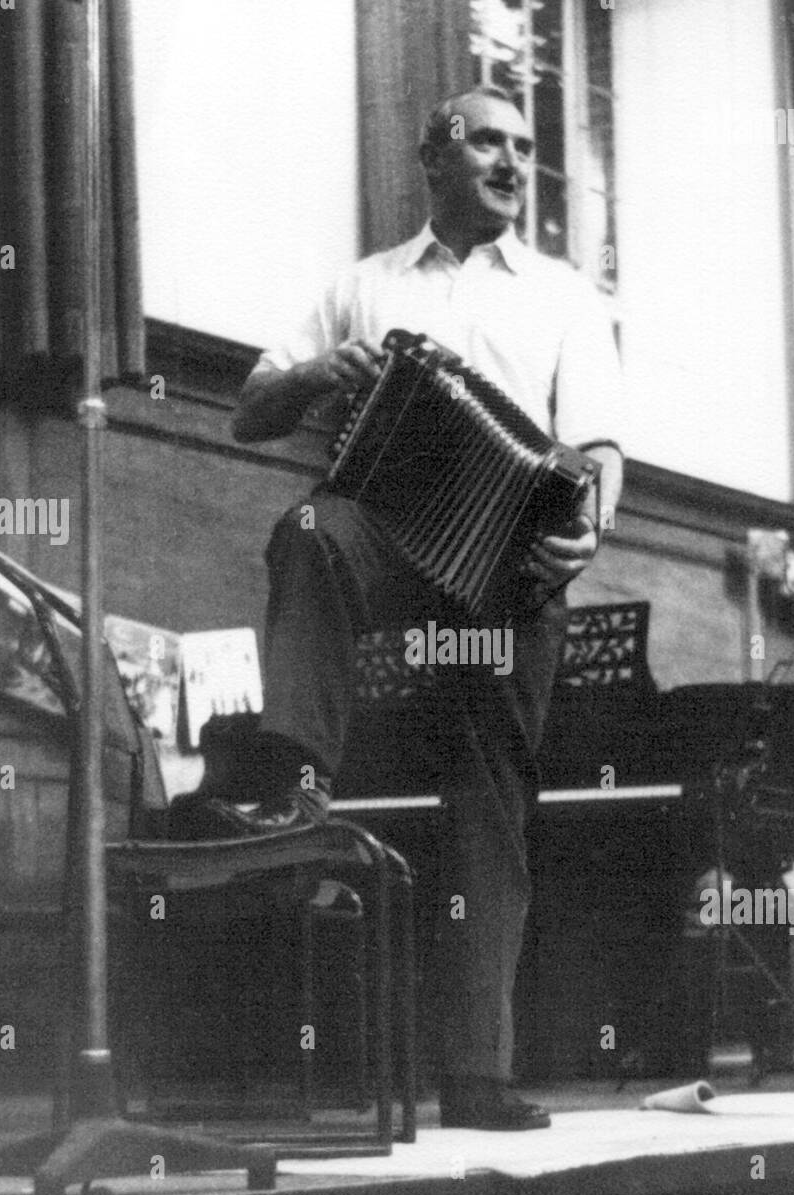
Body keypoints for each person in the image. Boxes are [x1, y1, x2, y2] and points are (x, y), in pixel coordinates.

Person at [212, 87, 624, 1130]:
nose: (511, 161)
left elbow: (601, 447)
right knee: (309, 528)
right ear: (433, 158)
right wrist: (319, 372)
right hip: (392, 533)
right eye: (488, 140)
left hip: (513, 562)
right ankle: (297, 786)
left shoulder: (567, 295)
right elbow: (251, 409)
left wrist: (591, 529)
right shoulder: (364, 286)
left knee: (492, 805)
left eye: (523, 148)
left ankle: (478, 1074)